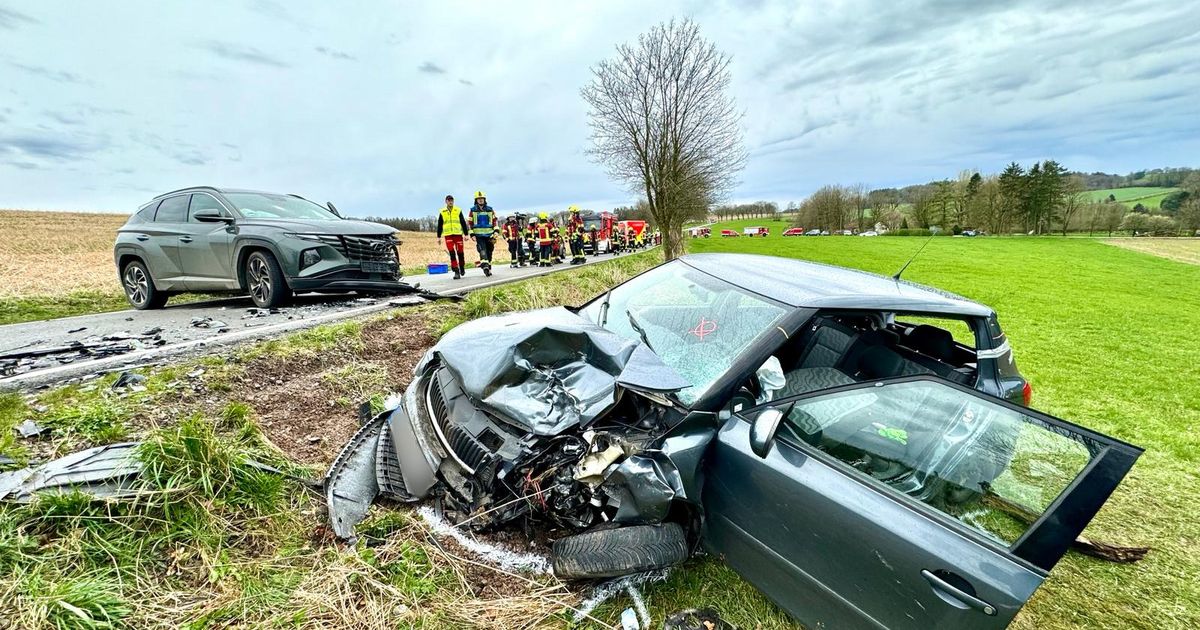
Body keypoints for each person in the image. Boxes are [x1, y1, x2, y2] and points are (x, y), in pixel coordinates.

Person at [436, 194, 469, 279]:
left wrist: (466, 234)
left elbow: (463, 222)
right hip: (448, 236)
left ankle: (461, 266)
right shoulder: (442, 211)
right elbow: (440, 224)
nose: (450, 202)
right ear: (446, 201)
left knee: (460, 253)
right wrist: (438, 237)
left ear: (453, 201)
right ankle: (456, 271)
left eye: (452, 200)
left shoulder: (458, 210)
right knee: (452, 253)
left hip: (458, 235)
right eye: (449, 200)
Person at [468, 190, 498, 277]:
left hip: (490, 235)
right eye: (478, 199)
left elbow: (494, 221)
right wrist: (472, 234)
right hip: (479, 236)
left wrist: (496, 231)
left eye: (482, 199)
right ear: (476, 200)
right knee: (482, 250)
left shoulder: (490, 209)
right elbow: (470, 223)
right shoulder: (472, 210)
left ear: (484, 200)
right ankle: (485, 267)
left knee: (490, 251)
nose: (480, 200)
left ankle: (489, 267)